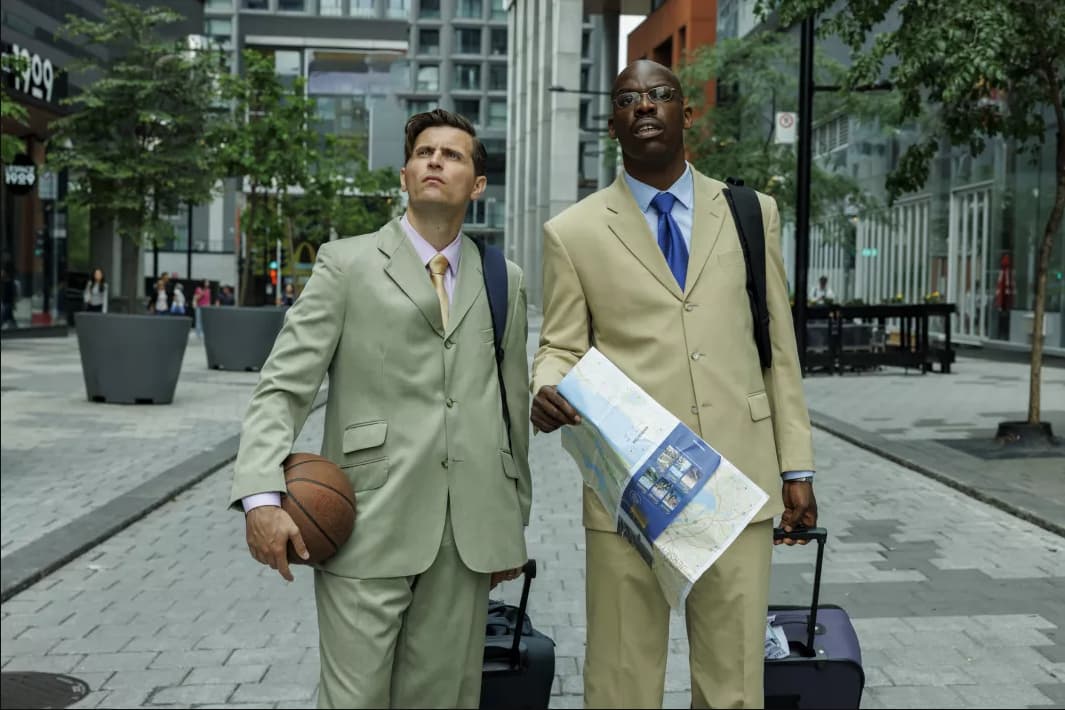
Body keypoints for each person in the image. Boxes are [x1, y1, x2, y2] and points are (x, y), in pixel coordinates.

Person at [530, 60, 817, 709]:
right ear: (612, 123)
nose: (644, 106)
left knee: (734, 685)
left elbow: (776, 349)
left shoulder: (750, 213)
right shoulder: (571, 232)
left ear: (685, 114)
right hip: (630, 483)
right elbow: (559, 344)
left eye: (660, 95)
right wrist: (545, 384)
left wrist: (796, 466)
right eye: (627, 98)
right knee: (620, 682)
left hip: (734, 481)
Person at [229, 108, 531, 709]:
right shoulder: (346, 264)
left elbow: (511, 406)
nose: (436, 161)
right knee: (354, 701)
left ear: (477, 185)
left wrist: (509, 525)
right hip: (366, 522)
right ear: (403, 176)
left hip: (467, 538)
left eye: (453, 154)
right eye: (424, 152)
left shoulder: (506, 279)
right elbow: (284, 385)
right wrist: (260, 495)